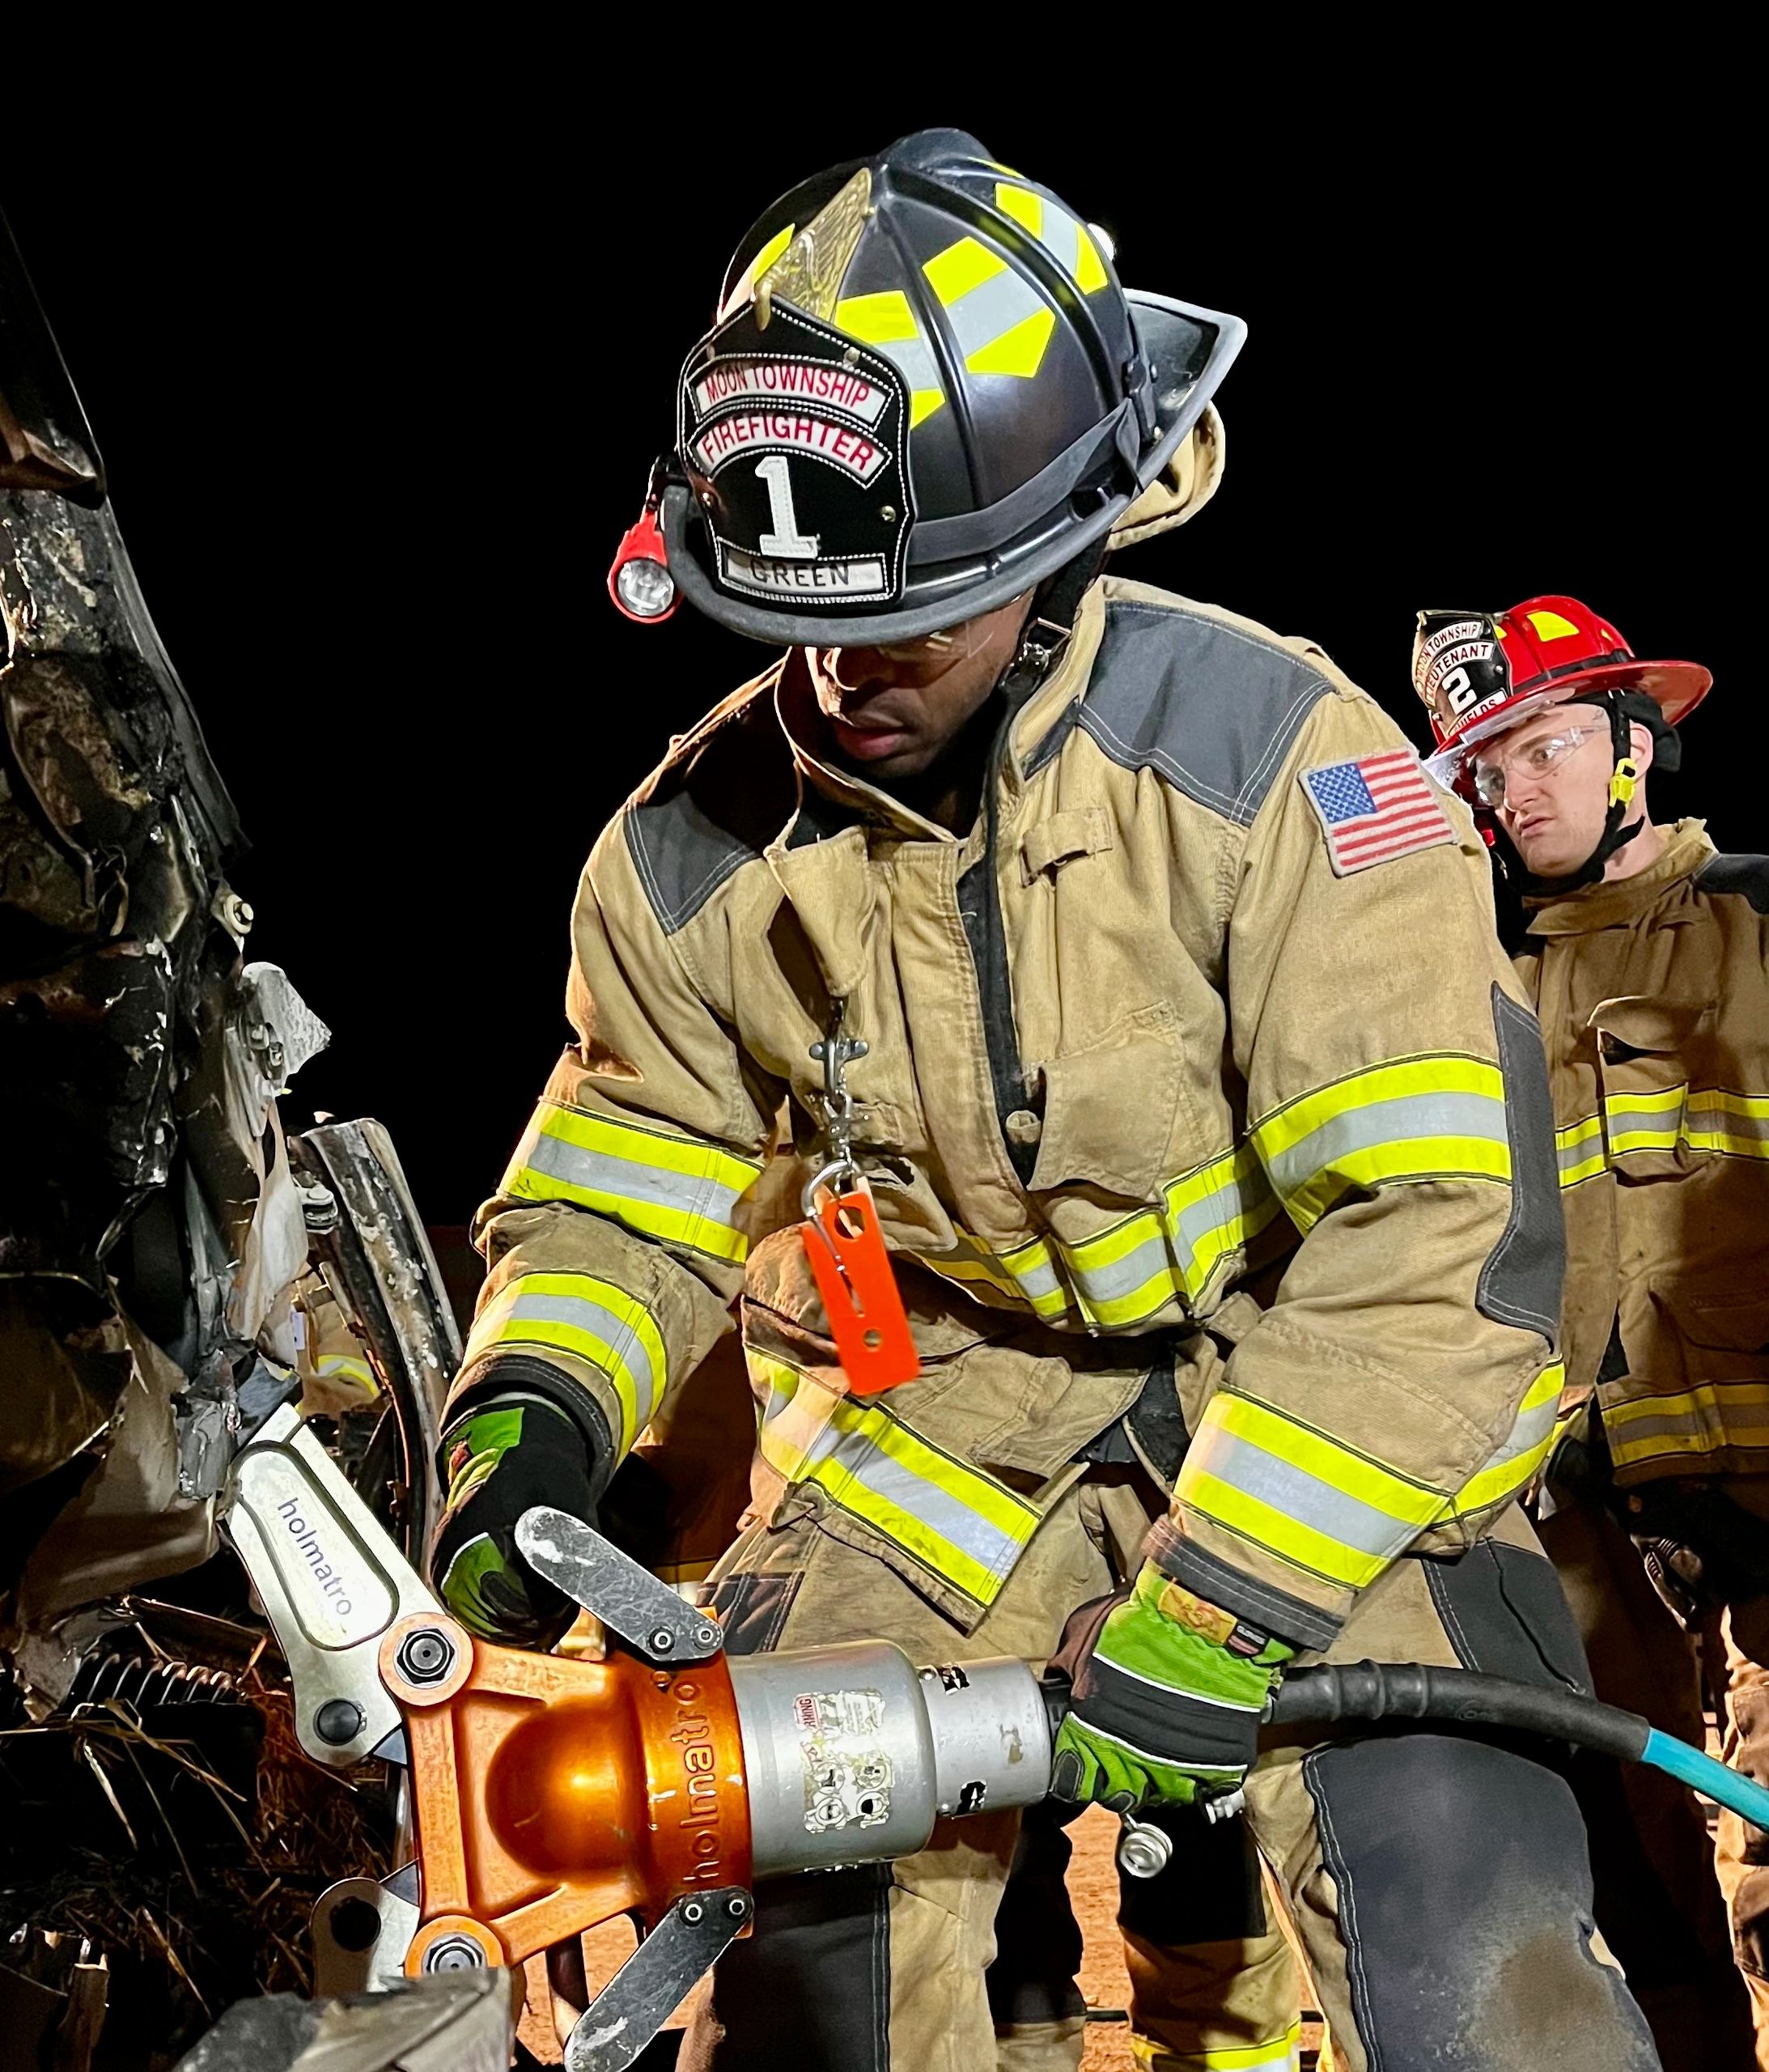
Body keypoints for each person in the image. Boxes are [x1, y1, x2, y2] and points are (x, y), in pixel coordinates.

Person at [431, 132, 1659, 2071]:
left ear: (1062, 540)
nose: (837, 678)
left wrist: (1225, 1601)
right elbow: (623, 1175)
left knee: (1470, 1948)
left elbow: (1435, 1234)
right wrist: (535, 1412)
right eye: (794, 622)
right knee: (803, 1939)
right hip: (960, 1426)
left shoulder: (1282, 768)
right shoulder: (682, 852)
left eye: (903, 617)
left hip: (1328, 1406)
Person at [1414, 597, 1769, 2070]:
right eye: (1487, 768)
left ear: (1636, 749)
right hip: (1573, 1519)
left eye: (1547, 746)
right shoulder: (1466, 985)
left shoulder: (1755, 922)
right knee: (1620, 1884)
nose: (1518, 791)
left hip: (1760, 1489)